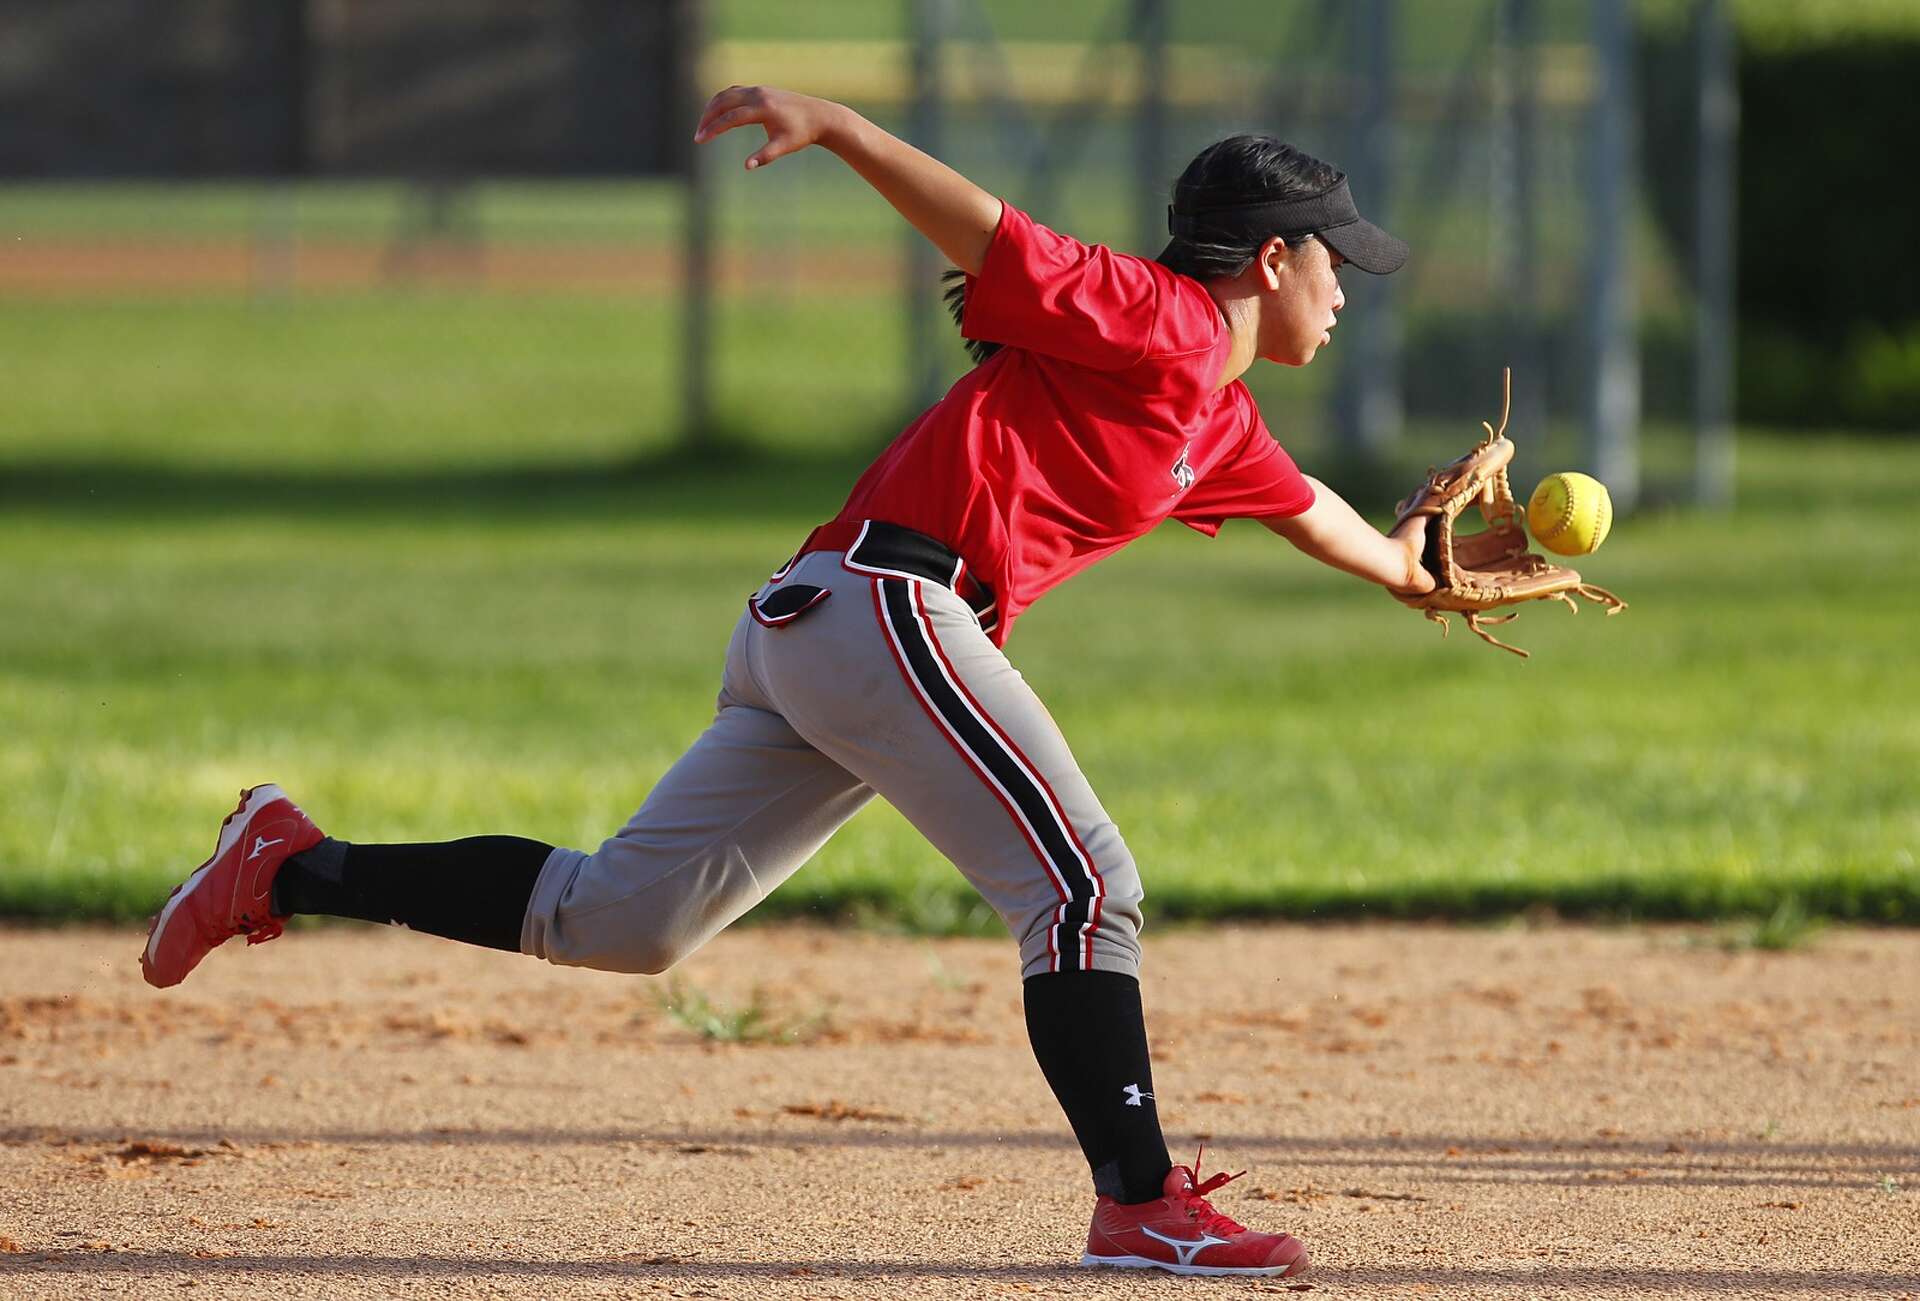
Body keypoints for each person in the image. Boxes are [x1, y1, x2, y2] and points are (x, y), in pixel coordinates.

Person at [139, 85, 1432, 1280]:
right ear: (1273, 258)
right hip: (889, 608)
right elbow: (989, 235)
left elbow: (1310, 508)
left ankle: (290, 863)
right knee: (1085, 886)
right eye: (1337, 260)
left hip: (833, 632)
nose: (1344, 288)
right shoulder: (1160, 319)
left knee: (623, 920)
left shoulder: (1217, 416)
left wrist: (1414, 574)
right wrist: (841, 126)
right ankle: (1141, 1200)